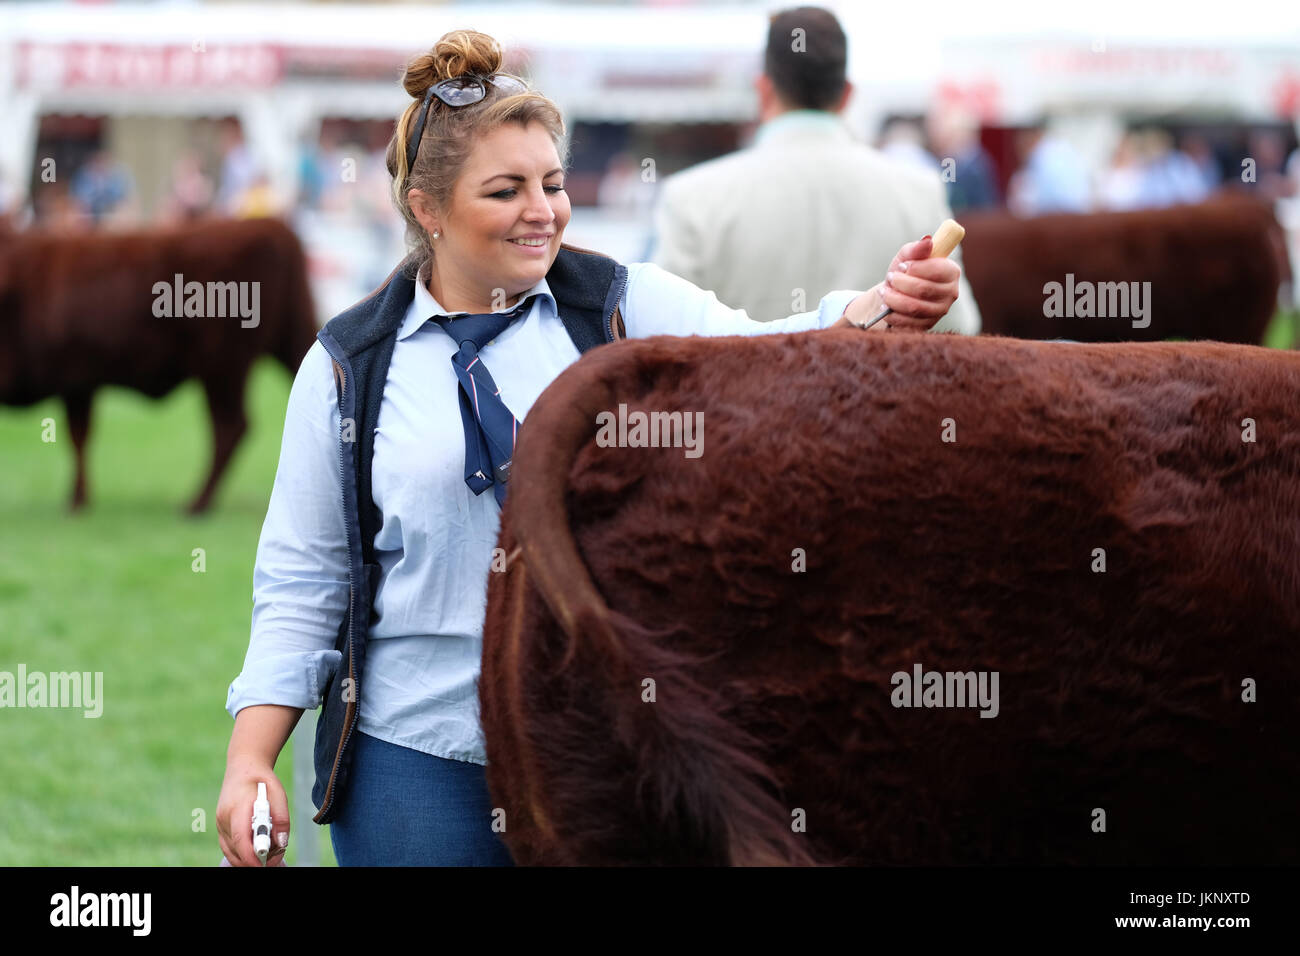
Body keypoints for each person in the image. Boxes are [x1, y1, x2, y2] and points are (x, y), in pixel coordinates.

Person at [216, 28, 961, 867]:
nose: (544, 211)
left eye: (554, 183)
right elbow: (303, 579)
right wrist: (252, 761)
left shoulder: (616, 307)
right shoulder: (348, 365)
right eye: (506, 191)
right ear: (426, 209)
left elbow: (767, 354)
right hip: (412, 762)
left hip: (601, 749)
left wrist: (876, 310)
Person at [647, 6, 980, 333]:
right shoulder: (919, 191)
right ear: (847, 94)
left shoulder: (690, 198)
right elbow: (960, 328)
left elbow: (655, 331)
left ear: (763, 90)